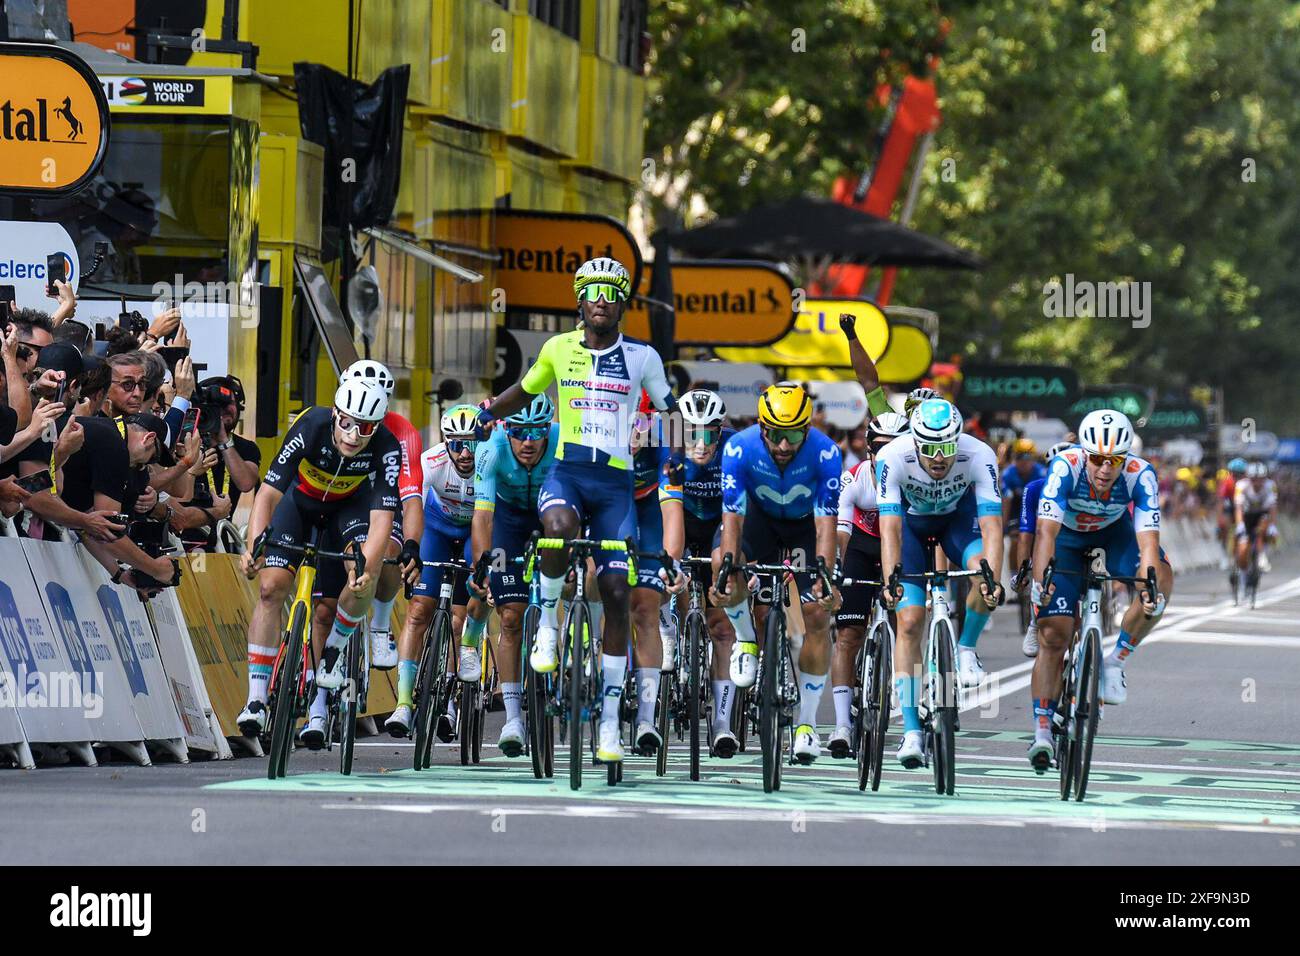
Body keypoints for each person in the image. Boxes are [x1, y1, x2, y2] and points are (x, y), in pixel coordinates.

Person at [474, 256, 679, 765]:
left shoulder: (644, 357)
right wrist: (485, 415)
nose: (602, 301)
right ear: (580, 300)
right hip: (568, 473)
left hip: (615, 485)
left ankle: (610, 722)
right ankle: (547, 622)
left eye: (612, 293)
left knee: (615, 593)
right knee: (558, 528)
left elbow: (673, 418)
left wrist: (657, 435)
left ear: (622, 303)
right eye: (593, 292)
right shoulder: (557, 348)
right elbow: (523, 391)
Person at [236, 379, 400, 737]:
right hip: (300, 504)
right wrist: (254, 547)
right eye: (346, 423)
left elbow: (382, 522)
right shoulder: (311, 426)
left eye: (366, 428)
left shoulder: (387, 447)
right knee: (271, 588)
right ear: (335, 415)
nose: (354, 436)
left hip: (349, 511)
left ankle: (333, 653)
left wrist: (366, 571)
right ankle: (256, 699)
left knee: (360, 580)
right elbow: (267, 495)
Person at [1029, 409, 1173, 771]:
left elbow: (1148, 541)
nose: (1106, 469)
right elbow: (1045, 532)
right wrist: (1039, 580)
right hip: (1066, 538)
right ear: (1084, 453)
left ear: (1126, 459)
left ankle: (1115, 663)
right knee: (1054, 634)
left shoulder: (1141, 475)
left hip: (1114, 533)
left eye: (1115, 461)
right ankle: (1043, 728)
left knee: (1163, 580)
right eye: (1098, 459)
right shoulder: (1066, 466)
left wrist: (1148, 585)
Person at [711, 382, 842, 764]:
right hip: (757, 523)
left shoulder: (826, 453)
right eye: (776, 435)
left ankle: (806, 724)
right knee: (723, 563)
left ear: (808, 428)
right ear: (761, 427)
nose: (784, 446)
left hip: (804, 529)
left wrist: (824, 576)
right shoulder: (739, 449)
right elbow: (732, 518)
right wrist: (729, 571)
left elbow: (825, 526)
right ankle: (747, 640)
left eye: (794, 435)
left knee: (818, 611)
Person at [876, 398, 1004, 769]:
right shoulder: (893, 456)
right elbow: (890, 528)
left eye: (946, 448)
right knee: (911, 620)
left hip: (956, 524)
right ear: (914, 442)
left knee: (984, 574)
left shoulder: (979, 454)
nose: (938, 458)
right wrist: (890, 580)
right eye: (929, 449)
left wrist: (992, 579)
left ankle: (966, 649)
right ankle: (913, 730)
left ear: (958, 441)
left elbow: (992, 526)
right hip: (911, 530)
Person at [462, 393, 559, 756]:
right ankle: (513, 718)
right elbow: (483, 517)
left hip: (550, 516)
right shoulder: (493, 449)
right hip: (508, 524)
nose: (529, 442)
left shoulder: (563, 444)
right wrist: (483, 564)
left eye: (537, 433)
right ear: (507, 429)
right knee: (510, 616)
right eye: (519, 432)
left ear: (548, 429)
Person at [383, 403, 478, 739]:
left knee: (456, 619)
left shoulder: (490, 463)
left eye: (473, 443)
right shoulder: (432, 462)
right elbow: (414, 511)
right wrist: (413, 553)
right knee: (418, 611)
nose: (466, 453)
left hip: (473, 532)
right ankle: (404, 703)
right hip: (436, 530)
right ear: (445, 443)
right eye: (457, 444)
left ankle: (450, 701)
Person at [660, 388, 742, 755]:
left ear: (720, 430)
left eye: (709, 432)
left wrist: (729, 568)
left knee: (721, 624)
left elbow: (734, 518)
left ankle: (722, 722)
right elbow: (671, 517)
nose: (701, 442)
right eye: (692, 431)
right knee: (667, 578)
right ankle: (668, 632)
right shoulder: (669, 453)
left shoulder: (734, 451)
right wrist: (672, 566)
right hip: (681, 516)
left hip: (717, 523)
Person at [329, 361, 423, 671]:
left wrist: (411, 544)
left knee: (390, 552)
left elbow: (410, 498)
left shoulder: (402, 431)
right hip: (342, 500)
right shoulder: (332, 422)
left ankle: (380, 625)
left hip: (383, 501)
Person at [827, 411, 910, 757]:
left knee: (910, 626)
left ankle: (914, 718)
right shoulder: (854, 480)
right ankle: (843, 724)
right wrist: (835, 573)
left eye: (896, 447)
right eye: (879, 448)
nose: (886, 455)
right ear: (869, 452)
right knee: (848, 636)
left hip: (903, 548)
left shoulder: (914, 480)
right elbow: (841, 534)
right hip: (860, 548)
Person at [177, 376, 261, 551]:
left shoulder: (246, 448)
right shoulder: (183, 442)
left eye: (229, 404)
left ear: (239, 407)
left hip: (220, 544)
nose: (223, 411)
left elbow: (246, 483)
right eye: (216, 407)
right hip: (178, 539)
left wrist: (223, 440)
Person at [1010, 439, 1075, 658]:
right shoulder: (1035, 488)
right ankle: (1035, 622)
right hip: (1047, 536)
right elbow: (1026, 533)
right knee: (1038, 546)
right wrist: (1023, 569)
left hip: (1077, 539)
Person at [1234, 460, 1278, 584]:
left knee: (1267, 529)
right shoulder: (1240, 485)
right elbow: (1239, 508)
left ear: (1265, 479)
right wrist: (1240, 524)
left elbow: (1273, 507)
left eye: (1260, 479)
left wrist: (1273, 525)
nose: (1257, 483)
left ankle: (1262, 554)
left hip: (1262, 514)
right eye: (1253, 479)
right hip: (1247, 515)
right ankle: (1242, 573)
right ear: (1248, 478)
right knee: (1242, 547)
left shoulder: (1271, 485)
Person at [1001, 437, 1045, 530]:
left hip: (1036, 506)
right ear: (1014, 458)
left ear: (1034, 458)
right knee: (1014, 535)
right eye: (1019, 456)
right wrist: (1003, 529)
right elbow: (1006, 501)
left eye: (1028, 457)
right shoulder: (1008, 474)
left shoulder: (1042, 473)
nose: (1024, 461)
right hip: (1016, 506)